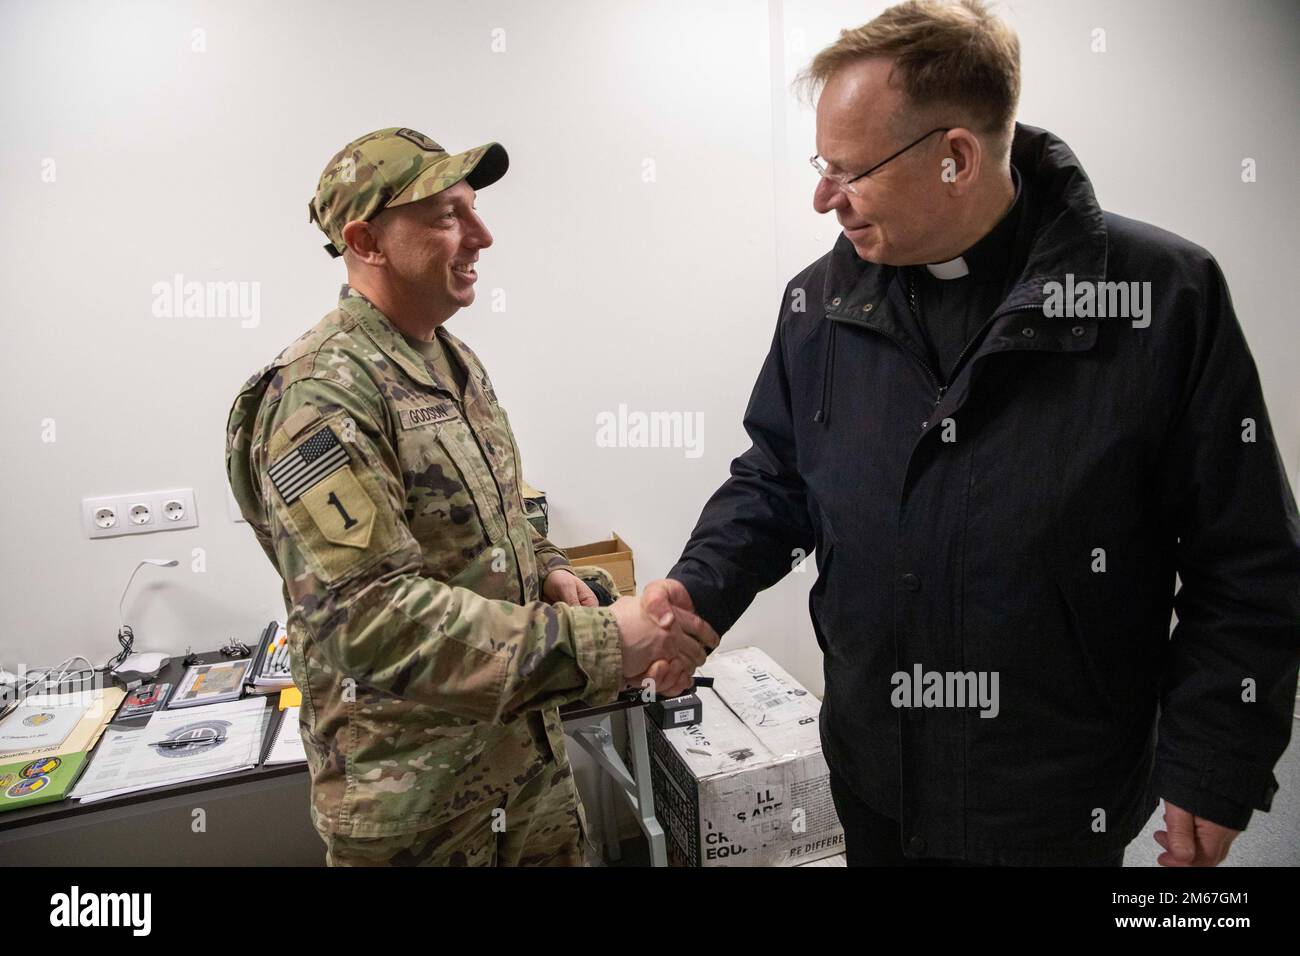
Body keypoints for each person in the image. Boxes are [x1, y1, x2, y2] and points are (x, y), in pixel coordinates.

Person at [642, 0, 1300, 866]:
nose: (821, 197)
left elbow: (1247, 560)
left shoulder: (1163, 299)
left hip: (1052, 797)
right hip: (875, 771)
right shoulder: (820, 302)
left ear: (955, 157)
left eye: (848, 170)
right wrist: (700, 591)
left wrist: (1216, 759)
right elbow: (778, 475)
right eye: (820, 164)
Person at [225, 127, 715, 866]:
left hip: (523, 779)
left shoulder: (452, 360)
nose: (482, 235)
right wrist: (608, 642)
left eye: (474, 209)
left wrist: (550, 567)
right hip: (422, 817)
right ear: (367, 241)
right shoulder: (318, 396)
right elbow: (375, 623)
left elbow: (501, 518)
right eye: (449, 216)